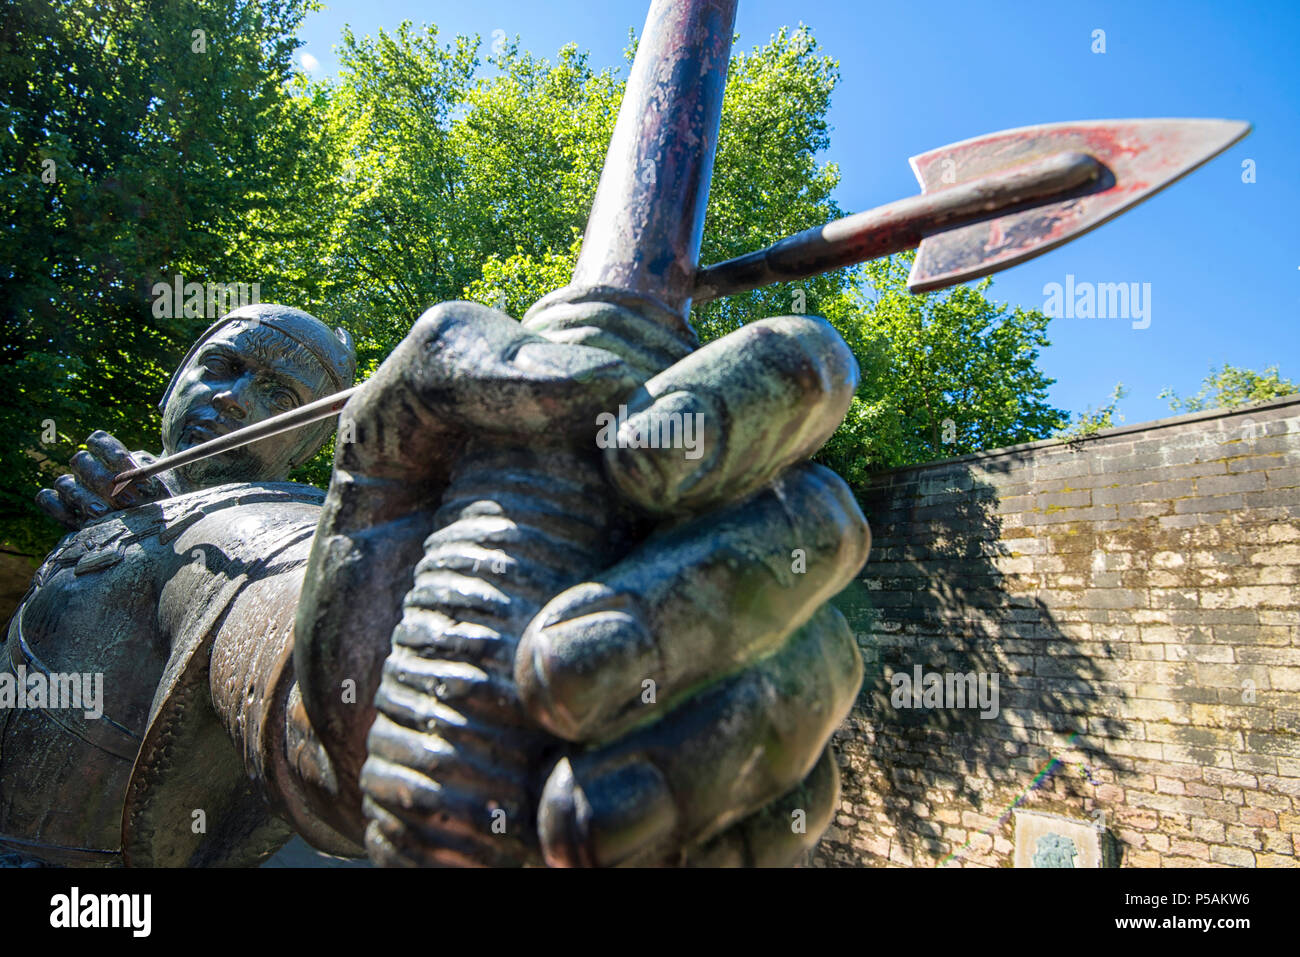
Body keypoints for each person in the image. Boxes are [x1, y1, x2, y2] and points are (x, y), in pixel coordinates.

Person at [1, 296, 869, 867]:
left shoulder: (265, 526)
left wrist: (388, 725)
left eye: (277, 389)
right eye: (225, 364)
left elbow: (294, 653)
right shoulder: (136, 499)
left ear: (310, 447)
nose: (234, 396)